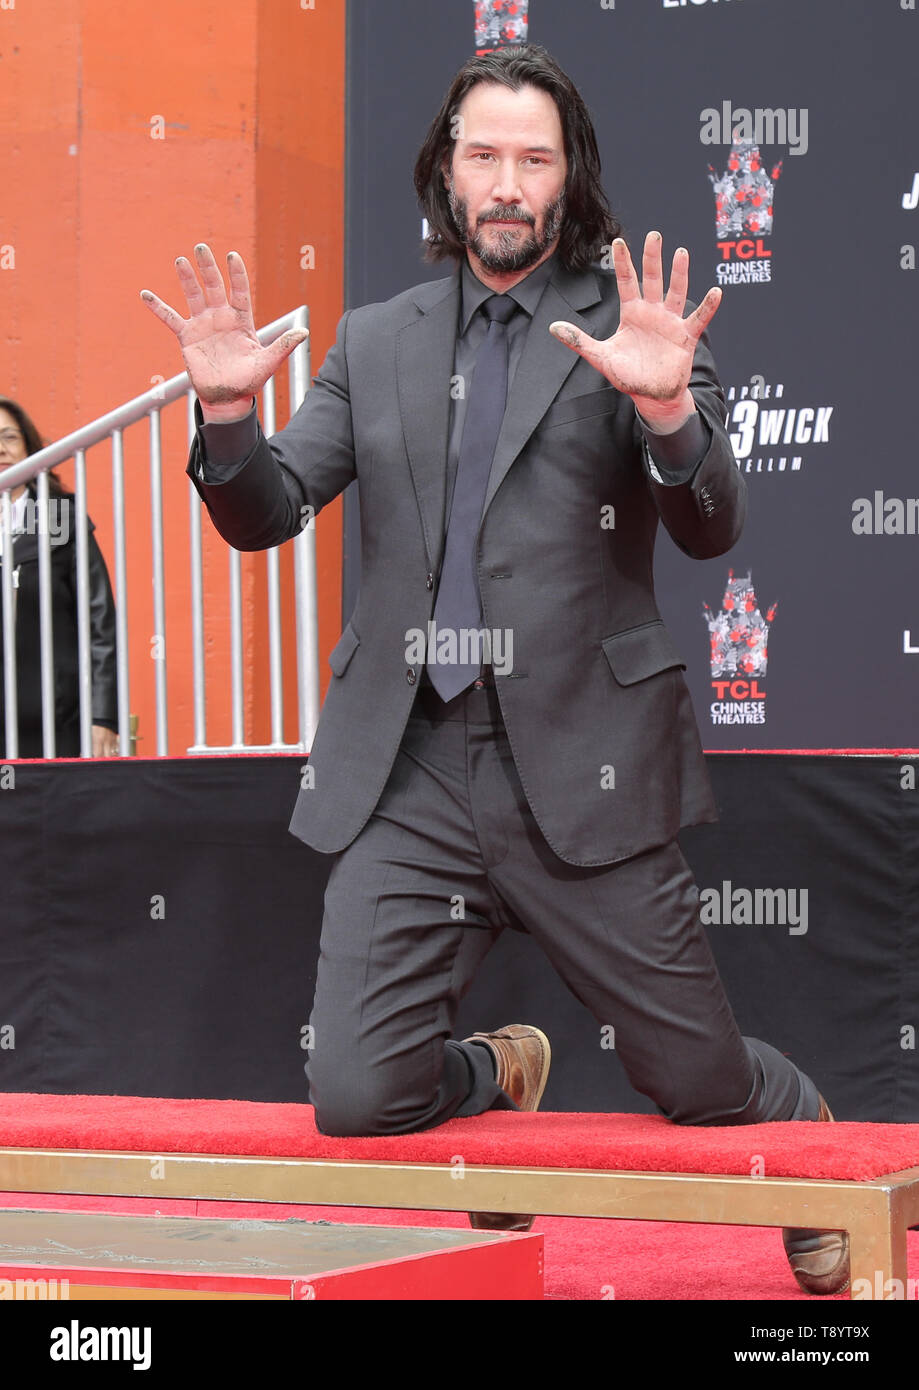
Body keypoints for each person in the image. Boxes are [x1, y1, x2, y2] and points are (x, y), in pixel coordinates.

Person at [141, 44, 847, 1295]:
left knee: (700, 1088)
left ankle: (807, 1134)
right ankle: (494, 1067)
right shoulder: (376, 338)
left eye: (534, 157)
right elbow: (267, 511)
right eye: (484, 156)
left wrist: (673, 414)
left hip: (588, 759)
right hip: (412, 767)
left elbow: (711, 523)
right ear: (445, 174)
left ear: (568, 177)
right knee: (357, 1097)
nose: (507, 182)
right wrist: (231, 421)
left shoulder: (630, 324)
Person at [0, 397, 119, 758]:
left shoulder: (61, 520)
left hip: (57, 722)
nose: (0, 449)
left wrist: (103, 715)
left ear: (29, 448)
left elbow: (100, 623)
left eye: (9, 437)